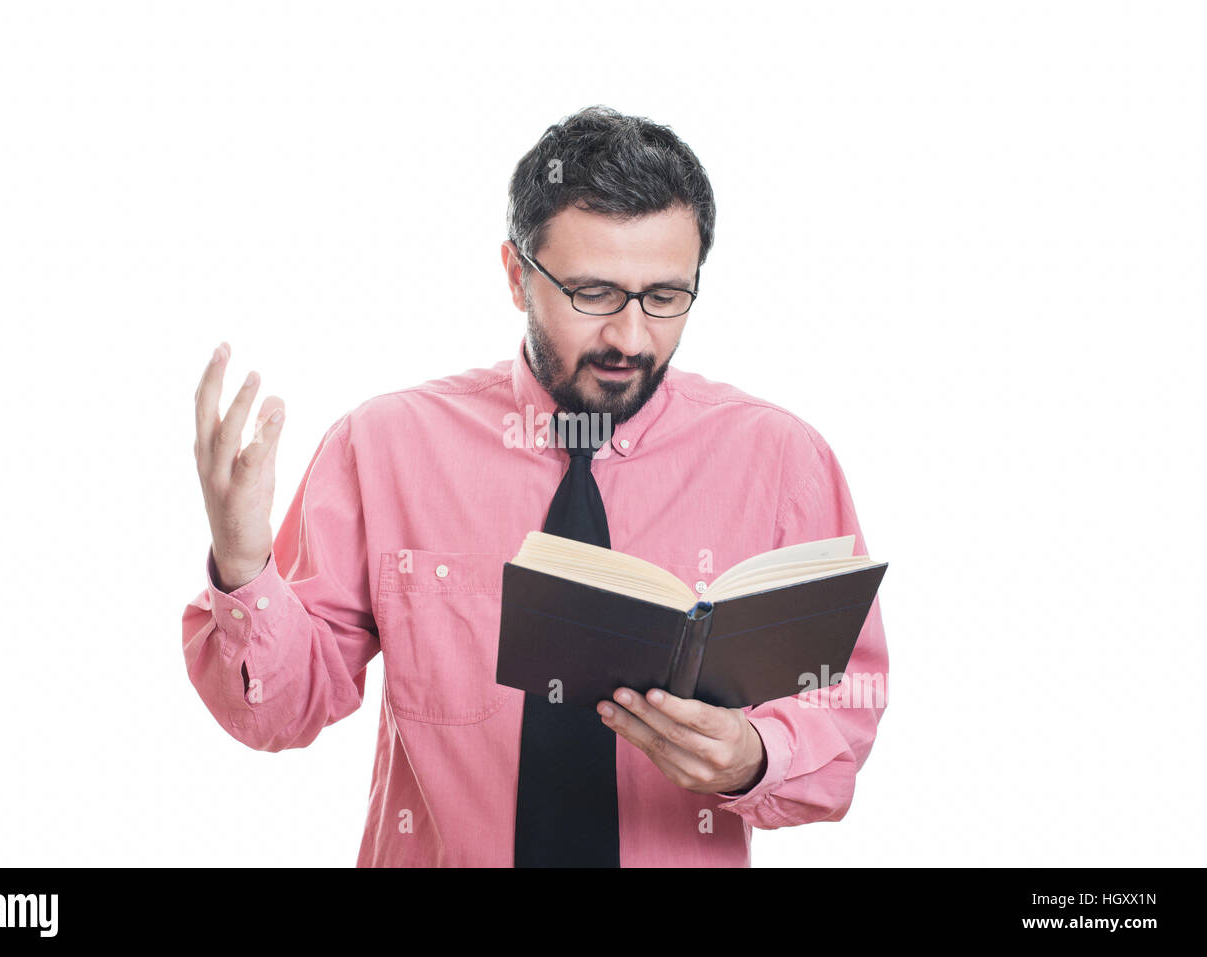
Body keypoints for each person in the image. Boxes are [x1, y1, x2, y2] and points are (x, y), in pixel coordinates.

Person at [182, 105, 889, 867]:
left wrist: (755, 753)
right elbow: (278, 713)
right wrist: (247, 566)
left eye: (664, 296)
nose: (629, 336)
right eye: (593, 294)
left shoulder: (782, 459)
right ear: (518, 275)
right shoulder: (382, 445)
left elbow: (845, 706)